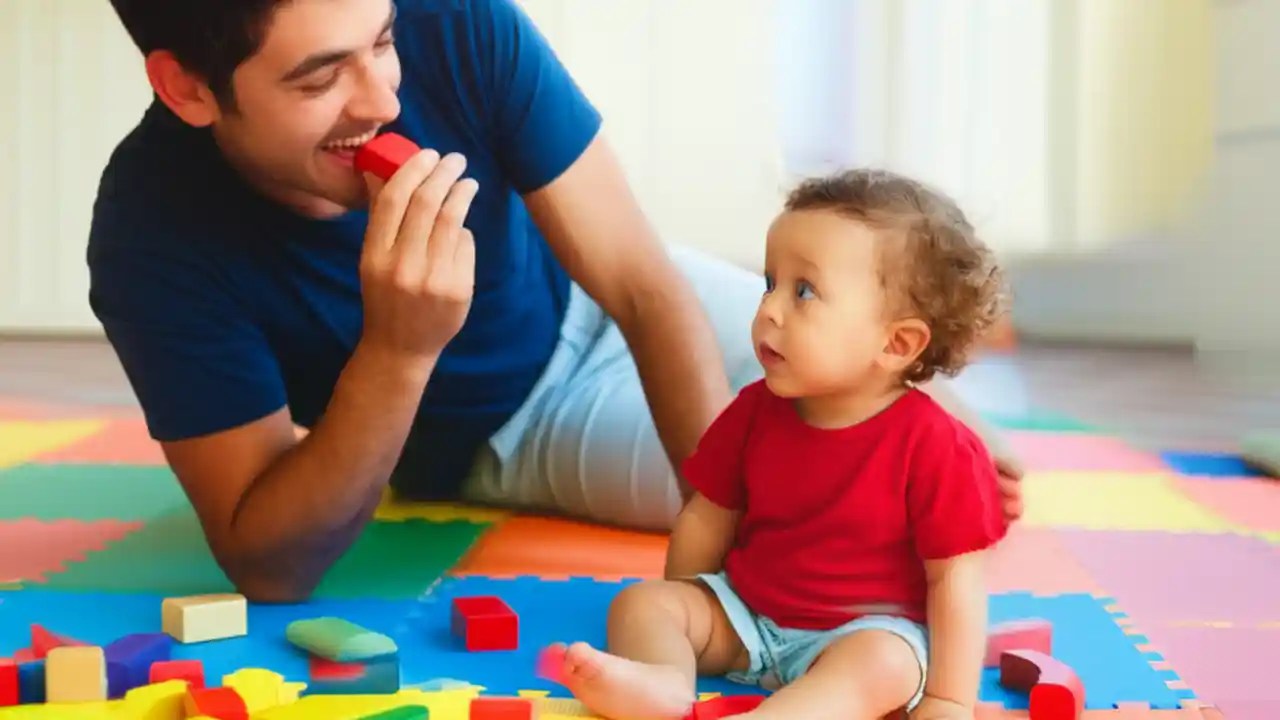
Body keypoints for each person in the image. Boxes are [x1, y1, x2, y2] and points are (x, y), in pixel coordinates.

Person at [90, 0, 1024, 603]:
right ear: (188, 88)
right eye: (320, 75)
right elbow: (267, 562)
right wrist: (401, 347)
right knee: (859, 497)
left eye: (380, 40)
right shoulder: (152, 236)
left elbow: (640, 284)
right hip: (513, 428)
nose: (384, 97)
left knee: (924, 416)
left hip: (596, 297)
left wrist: (742, 513)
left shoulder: (457, 25)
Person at [553, 169, 1010, 720]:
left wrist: (949, 700)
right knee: (642, 603)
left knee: (884, 664)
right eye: (771, 282)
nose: (768, 308)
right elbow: (707, 516)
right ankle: (666, 684)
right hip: (749, 616)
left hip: (863, 633)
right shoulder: (753, 411)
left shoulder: (936, 446)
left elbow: (956, 580)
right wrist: (692, 605)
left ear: (896, 342)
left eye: (804, 292)